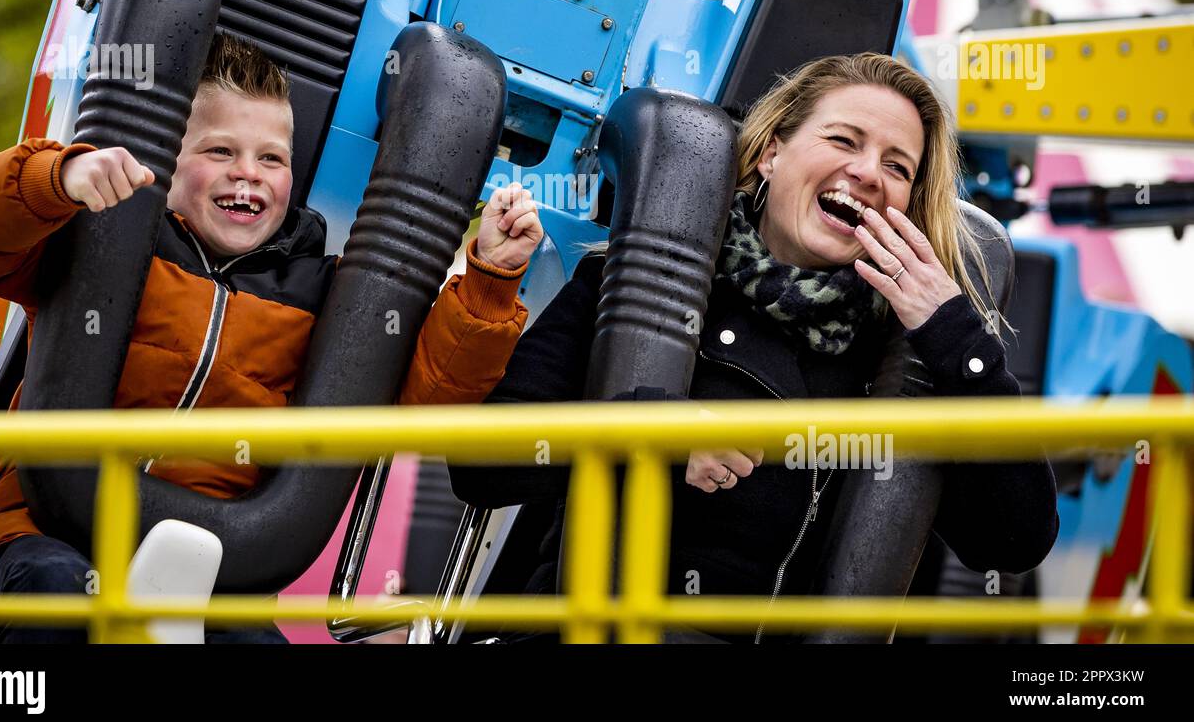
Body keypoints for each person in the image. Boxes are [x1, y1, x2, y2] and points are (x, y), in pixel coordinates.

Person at [0, 32, 544, 643]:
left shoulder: (323, 297)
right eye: (220, 150)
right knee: (54, 595)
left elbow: (427, 402)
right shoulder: (108, 244)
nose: (247, 176)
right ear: (170, 157)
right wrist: (57, 176)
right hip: (51, 528)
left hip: (222, 571)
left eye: (271, 159)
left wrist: (491, 280)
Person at [449, 52, 1059, 643]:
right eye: (844, 141)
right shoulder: (647, 278)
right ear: (771, 153)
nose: (870, 173)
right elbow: (482, 465)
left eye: (898, 167)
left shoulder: (903, 357)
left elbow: (1013, 542)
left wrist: (954, 334)